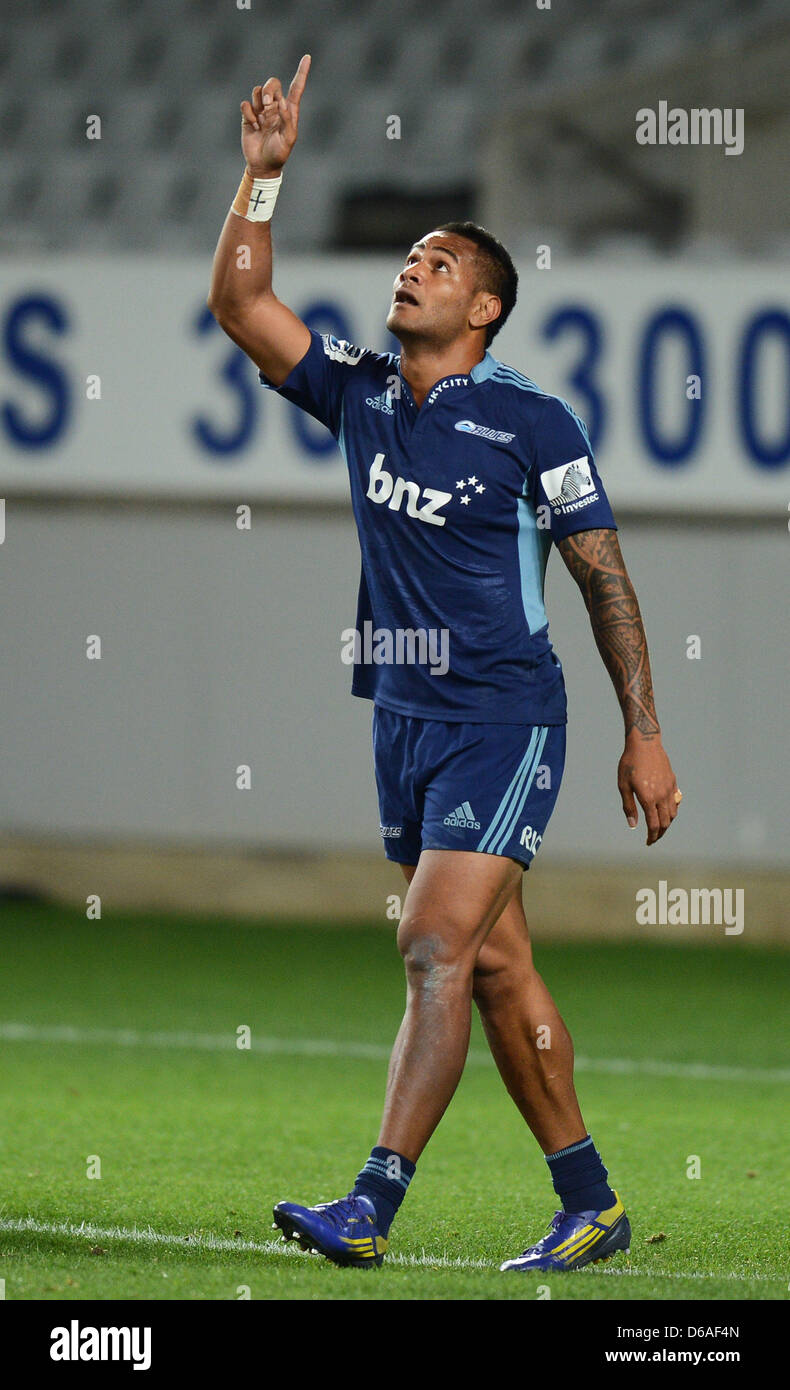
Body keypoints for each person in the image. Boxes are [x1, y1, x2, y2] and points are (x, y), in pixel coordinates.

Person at [207, 55, 681, 1274]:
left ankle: (370, 1200)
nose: (411, 267)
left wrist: (643, 727)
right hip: (404, 715)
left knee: (429, 944)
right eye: (408, 254)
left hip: (506, 717)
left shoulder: (533, 421)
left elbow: (602, 576)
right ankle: (593, 1203)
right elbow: (243, 308)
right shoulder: (362, 396)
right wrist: (261, 182)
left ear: (483, 310)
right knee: (491, 962)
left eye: (440, 261)